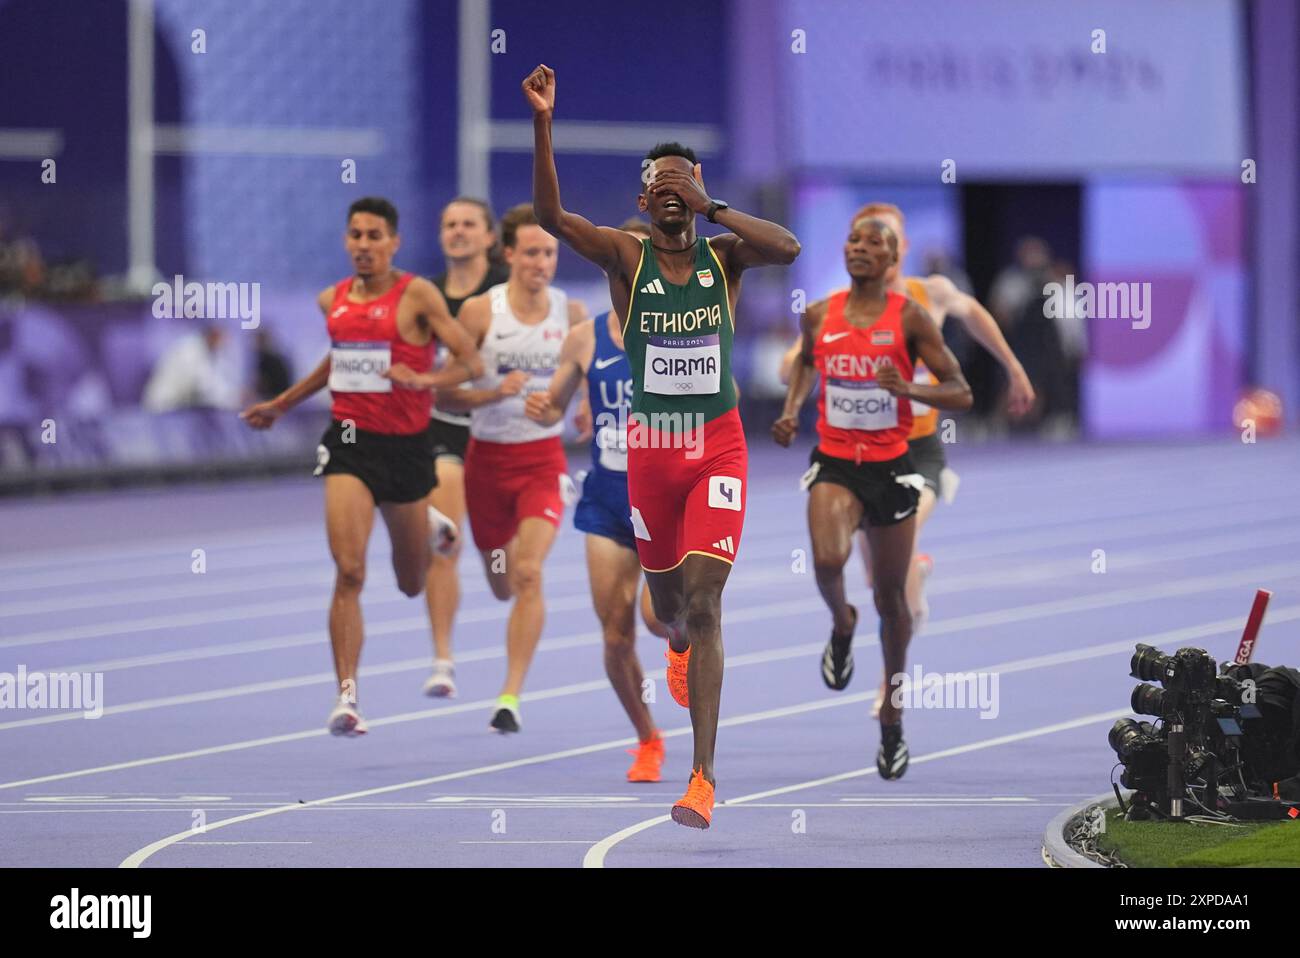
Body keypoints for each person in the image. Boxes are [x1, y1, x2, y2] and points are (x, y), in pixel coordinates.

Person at [525, 63, 800, 827]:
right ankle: (675, 640)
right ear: (645, 200)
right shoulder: (626, 256)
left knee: (709, 603)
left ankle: (703, 777)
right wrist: (544, 122)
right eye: (662, 182)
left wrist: (716, 206)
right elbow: (551, 216)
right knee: (670, 609)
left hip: (716, 447)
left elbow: (787, 246)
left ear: (699, 192)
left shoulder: (724, 258)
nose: (674, 189)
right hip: (650, 452)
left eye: (686, 179)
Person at [779, 202, 1034, 713]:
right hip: (853, 456)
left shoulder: (928, 296)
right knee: (883, 585)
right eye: (864, 240)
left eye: (887, 240)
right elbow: (798, 364)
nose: (877, 251)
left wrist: (1013, 367)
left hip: (916, 452)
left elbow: (975, 315)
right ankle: (895, 592)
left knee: (899, 554)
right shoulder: (837, 309)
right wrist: (798, 366)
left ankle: (887, 685)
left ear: (902, 249)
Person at [240, 197, 482, 736]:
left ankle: (431, 527)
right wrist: (282, 404)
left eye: (375, 236)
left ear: (393, 243)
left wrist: (426, 382)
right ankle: (346, 696)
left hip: (407, 449)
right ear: (346, 241)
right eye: (356, 235)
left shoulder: (416, 294)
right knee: (349, 570)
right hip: (348, 444)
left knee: (411, 583)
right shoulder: (334, 299)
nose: (364, 245)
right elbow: (338, 361)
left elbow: (471, 361)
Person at [773, 215, 971, 779]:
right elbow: (807, 362)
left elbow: (961, 391)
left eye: (874, 243)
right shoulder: (819, 315)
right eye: (854, 241)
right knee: (828, 560)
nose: (861, 248)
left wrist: (907, 388)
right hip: (836, 463)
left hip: (891, 469)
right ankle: (841, 624)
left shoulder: (909, 317)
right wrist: (791, 412)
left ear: (892, 261)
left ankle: (892, 716)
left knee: (895, 605)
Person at [525, 218, 671, 782]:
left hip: (667, 497)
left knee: (659, 620)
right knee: (615, 633)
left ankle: (680, 640)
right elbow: (558, 402)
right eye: (618, 260)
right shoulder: (585, 336)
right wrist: (550, 408)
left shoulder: (678, 327)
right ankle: (647, 738)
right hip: (609, 496)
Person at [434, 203, 588, 733]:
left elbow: (584, 383)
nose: (540, 263)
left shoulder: (572, 315)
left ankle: (510, 696)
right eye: (530, 253)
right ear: (509, 255)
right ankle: (496, 578)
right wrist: (490, 393)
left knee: (528, 572)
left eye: (548, 253)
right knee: (500, 579)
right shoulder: (480, 313)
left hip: (542, 463)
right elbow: (445, 397)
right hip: (486, 464)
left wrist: (573, 408)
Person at [421, 197, 512, 699]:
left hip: (499, 431)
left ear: (489, 236)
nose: (458, 232)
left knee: (503, 573)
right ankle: (442, 659)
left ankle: (495, 556)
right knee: (445, 541)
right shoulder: (424, 295)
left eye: (468, 224)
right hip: (444, 430)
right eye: (449, 224)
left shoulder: (505, 293)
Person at [143, 324, 240, 412]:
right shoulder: (190, 351)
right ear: (213, 334)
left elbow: (217, 383)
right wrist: (232, 400)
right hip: (163, 408)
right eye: (222, 337)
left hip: (180, 410)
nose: (224, 342)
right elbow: (202, 388)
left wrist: (233, 397)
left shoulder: (211, 353)